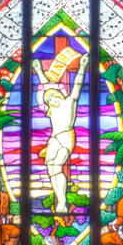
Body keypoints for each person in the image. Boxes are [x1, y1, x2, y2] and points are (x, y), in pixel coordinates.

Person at [33, 51, 88, 215]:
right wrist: (38, 71)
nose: (51, 101)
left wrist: (83, 66)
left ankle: (63, 202)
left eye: (53, 97)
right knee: (52, 170)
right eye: (48, 100)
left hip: (66, 137)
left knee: (58, 165)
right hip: (53, 140)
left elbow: (77, 85)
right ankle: (60, 198)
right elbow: (46, 87)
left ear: (60, 95)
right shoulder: (52, 109)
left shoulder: (69, 102)